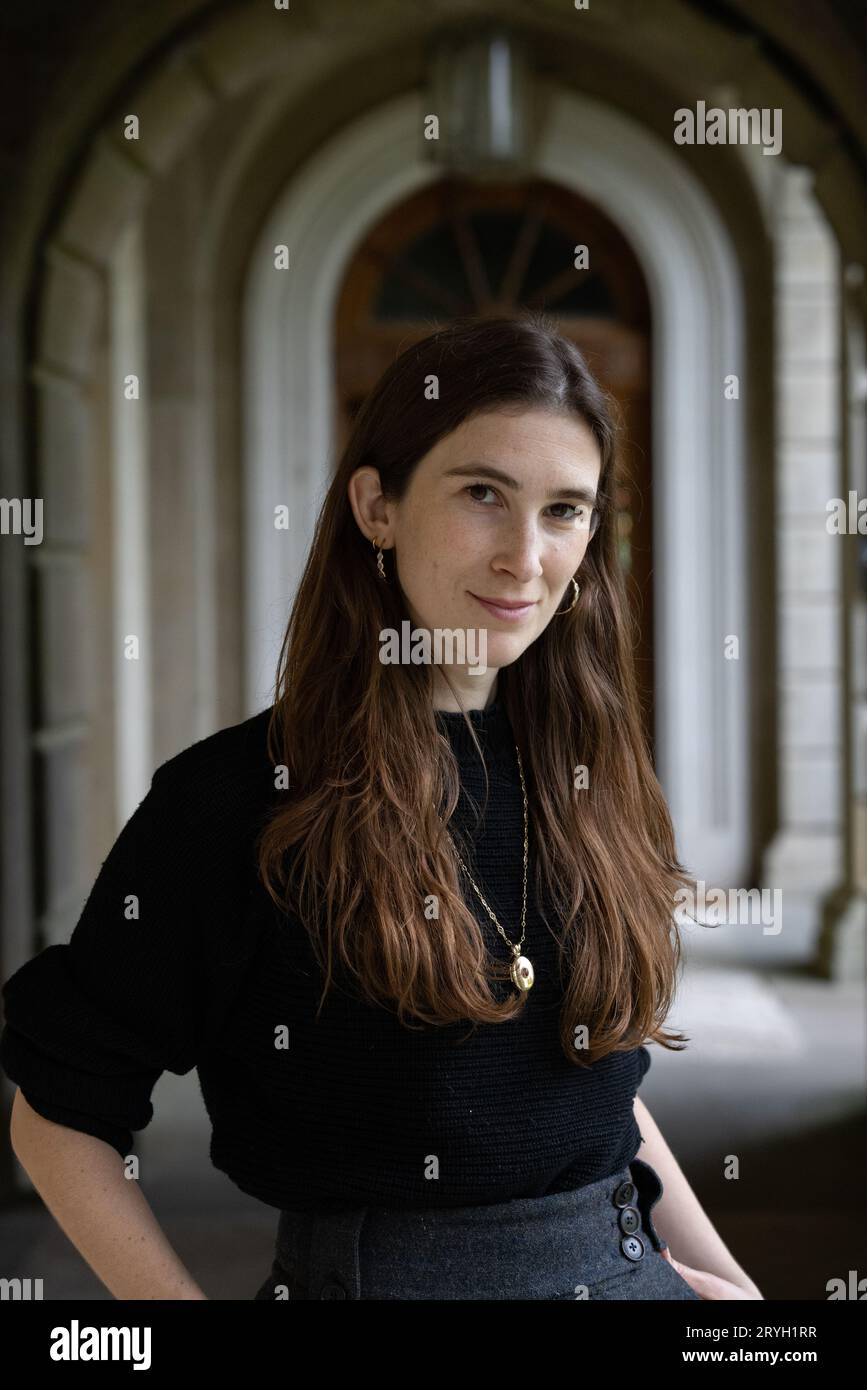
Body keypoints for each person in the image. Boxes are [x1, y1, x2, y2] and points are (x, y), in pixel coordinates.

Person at [1, 311, 762, 1301]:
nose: (525, 556)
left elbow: (595, 1100)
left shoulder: (586, 774)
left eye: (566, 509)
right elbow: (60, 1111)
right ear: (377, 506)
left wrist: (732, 1290)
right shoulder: (237, 800)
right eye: (484, 493)